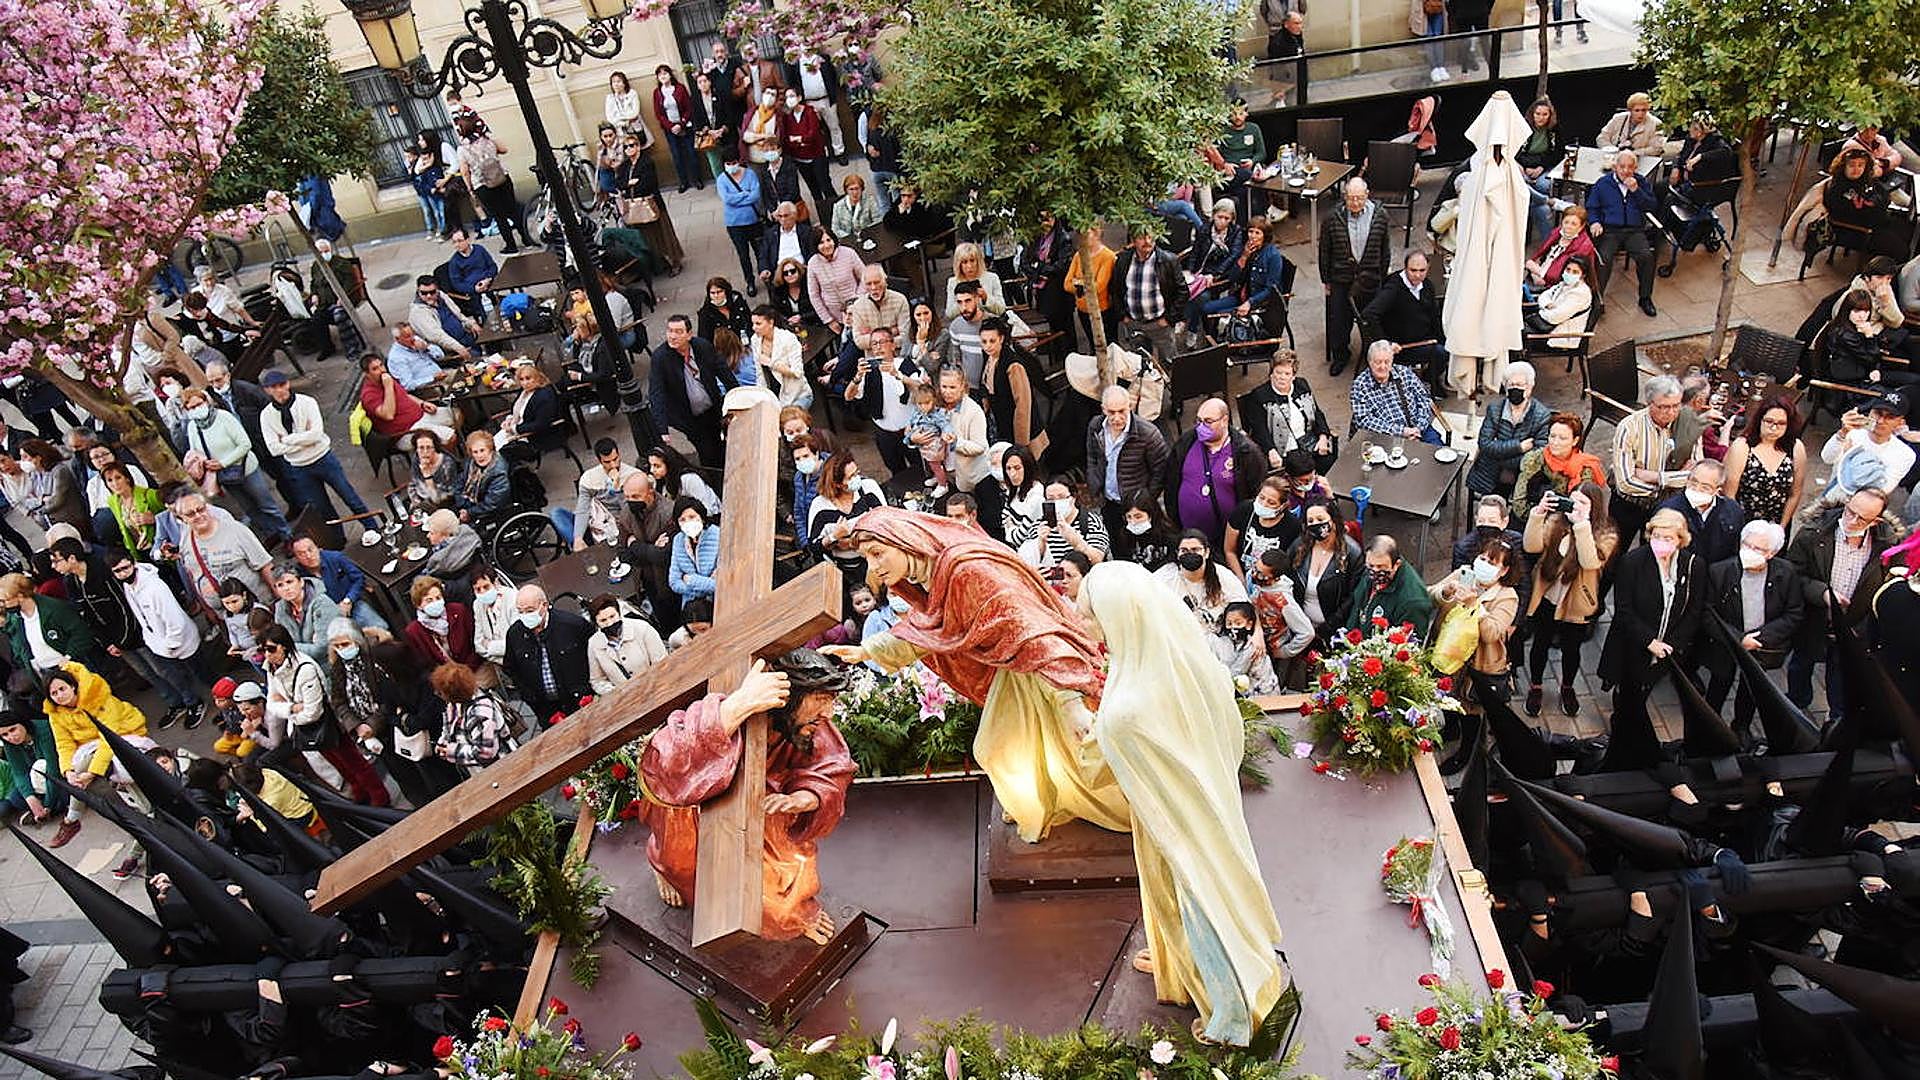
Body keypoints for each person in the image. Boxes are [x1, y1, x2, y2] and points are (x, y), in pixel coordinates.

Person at [1074, 560, 1292, 1046]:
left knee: (1201, 905)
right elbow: (1227, 734)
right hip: (1204, 808)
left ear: (1118, 619)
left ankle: (1232, 1019)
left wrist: (1089, 730)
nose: (1082, 621)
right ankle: (1180, 962)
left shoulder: (1128, 707)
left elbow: (1107, 767)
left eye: (1089, 613)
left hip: (1175, 826)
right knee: (1201, 896)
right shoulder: (1185, 665)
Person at [823, 510, 1128, 840]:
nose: (874, 568)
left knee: (1033, 750)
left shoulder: (967, 571)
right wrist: (866, 651)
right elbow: (931, 627)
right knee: (1012, 749)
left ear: (905, 540)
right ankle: (1040, 804)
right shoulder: (935, 574)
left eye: (878, 553)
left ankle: (1107, 807)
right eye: (867, 557)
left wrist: (1069, 699)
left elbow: (1032, 628)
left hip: (1043, 670)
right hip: (1016, 669)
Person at [1783, 488, 1896, 718]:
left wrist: (1863, 628)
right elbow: (1793, 574)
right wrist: (1822, 593)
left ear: (1875, 521)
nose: (1852, 520)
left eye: (1861, 518)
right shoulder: (1812, 535)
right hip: (1813, 619)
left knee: (1840, 676)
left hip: (1852, 627)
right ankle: (1796, 705)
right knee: (1801, 665)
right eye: (1849, 511)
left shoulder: (1888, 547)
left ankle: (1835, 720)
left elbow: (1887, 593)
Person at [259, 623, 389, 805]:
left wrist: (289, 709)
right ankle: (359, 790)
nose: (267, 654)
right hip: (306, 727)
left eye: (271, 649)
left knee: (353, 761)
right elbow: (272, 705)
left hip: (326, 722)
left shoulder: (305, 668)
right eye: (262, 650)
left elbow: (312, 711)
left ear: (284, 646)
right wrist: (292, 708)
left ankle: (379, 795)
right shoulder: (271, 669)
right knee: (339, 764)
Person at [1701, 521, 1802, 748]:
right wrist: (1737, 639)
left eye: (1760, 549)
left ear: (1772, 553)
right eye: (1748, 545)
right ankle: (1710, 724)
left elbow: (1794, 613)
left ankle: (1741, 726)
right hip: (1726, 644)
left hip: (1760, 646)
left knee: (1751, 689)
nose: (1751, 552)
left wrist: (1761, 638)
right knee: (1719, 684)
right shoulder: (1720, 571)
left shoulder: (1785, 573)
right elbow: (1707, 613)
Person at [1520, 482, 1615, 717]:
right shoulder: (1556, 522)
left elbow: (1590, 562)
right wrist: (1538, 515)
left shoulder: (1606, 534)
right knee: (1540, 644)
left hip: (1575, 603)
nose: (1575, 506)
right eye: (1573, 499)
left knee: (1571, 649)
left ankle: (1567, 687)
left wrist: (1582, 525)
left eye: (1583, 503)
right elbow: (1531, 547)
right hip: (1547, 597)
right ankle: (1536, 685)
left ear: (1595, 508)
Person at [1429, 533, 1522, 768]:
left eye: (1493, 563)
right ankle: (1449, 730)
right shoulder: (1463, 574)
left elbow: (1492, 634)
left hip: (1476, 664)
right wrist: (1447, 591)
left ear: (1503, 570)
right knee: (1444, 696)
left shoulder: (1507, 597)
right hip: (1447, 652)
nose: (1484, 565)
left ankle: (1466, 752)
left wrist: (1475, 606)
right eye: (1482, 558)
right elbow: (1430, 594)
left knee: (1469, 709)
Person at [41, 662, 151, 853]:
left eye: (62, 689)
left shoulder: (99, 698)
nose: (60, 696)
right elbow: (64, 744)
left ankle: (72, 818)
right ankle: (74, 817)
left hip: (125, 734)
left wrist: (92, 773)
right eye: (54, 693)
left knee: (108, 768)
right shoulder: (55, 713)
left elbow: (109, 738)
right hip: (90, 746)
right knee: (77, 769)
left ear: (73, 686)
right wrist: (68, 772)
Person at [1598, 507, 1706, 695]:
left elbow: (1694, 610)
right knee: (1629, 691)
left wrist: (1673, 644)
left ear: (1680, 540)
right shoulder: (1632, 562)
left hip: (1668, 648)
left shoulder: (1693, 565)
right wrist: (1650, 641)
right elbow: (1624, 610)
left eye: (1668, 538)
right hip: (1634, 644)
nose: (1660, 543)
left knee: (1647, 685)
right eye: (1656, 536)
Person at [107, 547, 205, 727]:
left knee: (204, 675)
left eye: (125, 568)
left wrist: (170, 644)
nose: (122, 574)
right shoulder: (129, 586)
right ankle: (197, 704)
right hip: (160, 644)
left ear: (133, 563)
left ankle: (206, 704)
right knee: (172, 673)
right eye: (117, 571)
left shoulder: (154, 587)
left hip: (181, 642)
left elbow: (174, 619)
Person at [258, 369, 369, 522]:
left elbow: (316, 434)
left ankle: (372, 527)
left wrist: (287, 439)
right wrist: (306, 440)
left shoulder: (307, 402)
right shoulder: (266, 415)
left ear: (288, 384)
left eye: (282, 384)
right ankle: (338, 541)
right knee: (322, 509)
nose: (279, 390)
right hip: (299, 467)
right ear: (267, 390)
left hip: (323, 458)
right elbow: (274, 448)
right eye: (274, 387)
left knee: (350, 497)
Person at [1162, 397, 1264, 545]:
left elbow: (1255, 490)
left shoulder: (1246, 452)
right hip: (1187, 536)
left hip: (1226, 539)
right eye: (1198, 421)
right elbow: (1171, 480)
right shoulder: (1186, 442)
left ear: (1224, 420)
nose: (1201, 427)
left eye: (1208, 422)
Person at [1610, 375, 1696, 546]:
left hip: (1666, 509)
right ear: (1649, 403)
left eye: (1676, 405)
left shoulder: (1688, 422)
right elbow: (1625, 483)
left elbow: (1695, 475)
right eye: (1664, 407)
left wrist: (1654, 477)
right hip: (1630, 504)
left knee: (1652, 555)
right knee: (1615, 553)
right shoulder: (1629, 427)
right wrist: (1673, 482)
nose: (1671, 412)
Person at [1320, 178, 1394, 376]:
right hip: (1341, 278)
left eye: (1359, 198)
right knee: (1339, 320)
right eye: (1351, 198)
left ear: (1367, 195)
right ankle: (1341, 355)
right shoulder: (1332, 218)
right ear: (1345, 197)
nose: (1355, 203)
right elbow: (1325, 251)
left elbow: (1385, 249)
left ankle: (1371, 356)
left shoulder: (1380, 216)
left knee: (1371, 320)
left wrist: (1382, 275)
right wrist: (1326, 279)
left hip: (1370, 277)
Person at [1184, 216, 1288, 349]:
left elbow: (1271, 289)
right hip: (1241, 296)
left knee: (1220, 316)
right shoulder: (1247, 249)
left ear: (1265, 235)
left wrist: (1250, 303)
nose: (1253, 236)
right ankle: (1212, 340)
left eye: (1257, 233)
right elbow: (1234, 278)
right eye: (1251, 231)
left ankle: (1219, 344)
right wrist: (1244, 257)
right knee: (1205, 308)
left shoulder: (1272, 256)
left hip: (1257, 302)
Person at [650, 314, 739, 469]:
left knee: (722, 444)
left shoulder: (702, 346)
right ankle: (714, 480)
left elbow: (723, 372)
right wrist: (662, 429)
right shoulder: (660, 358)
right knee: (707, 452)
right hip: (689, 418)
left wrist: (738, 398)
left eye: (678, 331)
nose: (672, 336)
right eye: (670, 331)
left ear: (689, 334)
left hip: (713, 408)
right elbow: (657, 394)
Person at [1085, 385, 1170, 540]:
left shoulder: (1148, 434)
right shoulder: (1096, 426)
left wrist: (1145, 500)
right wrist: (1094, 483)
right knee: (1116, 544)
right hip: (1108, 502)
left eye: (1122, 411)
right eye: (1111, 412)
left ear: (1130, 406)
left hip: (1137, 507)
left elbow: (1161, 471)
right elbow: (1092, 457)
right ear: (1103, 409)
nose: (1117, 417)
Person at [836, 326, 922, 477]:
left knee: (920, 467)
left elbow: (921, 387)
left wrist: (898, 375)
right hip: (884, 431)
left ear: (893, 344)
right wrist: (857, 377)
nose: (878, 347)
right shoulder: (869, 370)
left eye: (882, 342)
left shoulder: (905, 364)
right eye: (874, 344)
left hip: (910, 429)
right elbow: (848, 396)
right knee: (896, 471)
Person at [1585, 148, 1661, 317]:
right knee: (1603, 259)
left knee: (1646, 256)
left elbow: (1651, 206)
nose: (1626, 171)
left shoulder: (1641, 182)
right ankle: (1597, 300)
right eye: (1622, 167)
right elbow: (1592, 207)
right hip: (1610, 230)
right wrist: (1595, 221)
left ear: (1635, 168)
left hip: (1633, 230)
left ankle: (1645, 298)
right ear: (1615, 167)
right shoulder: (1603, 183)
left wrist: (1637, 191)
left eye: (1630, 167)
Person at [504, 584, 595, 723]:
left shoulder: (571, 625)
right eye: (520, 611)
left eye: (530, 610)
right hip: (548, 711)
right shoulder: (515, 634)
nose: (525, 616)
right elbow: (513, 670)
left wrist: (588, 691)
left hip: (582, 702)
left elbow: (594, 654)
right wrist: (536, 704)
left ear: (544, 605)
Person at [1361, 251, 1448, 387]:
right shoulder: (1393, 288)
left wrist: (1443, 339)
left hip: (1424, 338)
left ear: (1428, 268)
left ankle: (1429, 377)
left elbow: (1434, 316)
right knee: (1441, 353)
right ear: (1405, 267)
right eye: (1413, 270)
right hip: (1402, 346)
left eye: (1422, 270)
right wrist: (1386, 343)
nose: (1418, 275)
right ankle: (1429, 380)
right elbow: (1369, 314)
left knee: (1450, 347)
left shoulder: (1428, 286)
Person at [1238, 351, 1334, 474]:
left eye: (1287, 373)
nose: (1281, 377)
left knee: (1332, 467)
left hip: (1309, 444)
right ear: (1271, 373)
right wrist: (1271, 451)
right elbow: (1259, 430)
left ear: (1293, 376)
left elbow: (1317, 413)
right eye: (1278, 372)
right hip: (1283, 452)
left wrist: (1323, 436)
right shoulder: (1259, 396)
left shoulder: (1302, 385)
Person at [1468, 361, 1555, 497]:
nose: (1515, 388)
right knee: (1495, 497)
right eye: (1511, 384)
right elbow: (1484, 444)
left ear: (1530, 387)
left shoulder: (1541, 415)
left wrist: (1500, 457)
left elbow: (1538, 453)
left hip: (1522, 473)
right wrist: (1519, 447)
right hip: (1490, 471)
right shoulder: (1495, 409)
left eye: (1520, 385)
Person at [1724, 395, 1808, 528]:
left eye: (1781, 424)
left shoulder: (1796, 448)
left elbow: (1795, 493)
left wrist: (1781, 527)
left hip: (1776, 525)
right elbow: (1729, 494)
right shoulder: (1742, 446)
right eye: (1769, 421)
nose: (1774, 428)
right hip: (1742, 522)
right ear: (1760, 421)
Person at [454, 115, 532, 252]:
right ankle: (526, 239)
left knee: (499, 216)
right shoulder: (486, 140)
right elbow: (504, 149)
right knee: (513, 210)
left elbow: (465, 171)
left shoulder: (462, 149)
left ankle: (511, 246)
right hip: (502, 178)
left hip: (483, 185)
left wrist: (470, 188)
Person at [614, 130, 685, 272]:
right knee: (647, 239)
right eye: (626, 147)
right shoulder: (624, 166)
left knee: (662, 235)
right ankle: (659, 263)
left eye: (632, 145)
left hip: (651, 204)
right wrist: (630, 183)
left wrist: (632, 184)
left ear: (638, 146)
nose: (629, 149)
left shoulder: (646, 162)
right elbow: (619, 183)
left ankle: (674, 262)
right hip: (634, 207)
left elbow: (649, 183)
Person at [1153, 529, 1248, 633]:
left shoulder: (1223, 575)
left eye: (1195, 550)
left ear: (1206, 552)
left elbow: (1245, 607)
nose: (1190, 554)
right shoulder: (1165, 576)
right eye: (1184, 550)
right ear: (1177, 553)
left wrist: (1257, 633)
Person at [430, 660, 516, 772]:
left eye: (440, 692)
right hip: (480, 770)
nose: (437, 694)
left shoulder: (480, 714)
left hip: (501, 769)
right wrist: (442, 743)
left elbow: (485, 752)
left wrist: (452, 751)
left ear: (452, 693)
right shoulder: (453, 705)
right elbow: (448, 728)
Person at [290, 535, 386, 635]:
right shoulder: (297, 577)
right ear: (297, 558)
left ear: (317, 548)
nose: (308, 556)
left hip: (352, 604)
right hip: (328, 616)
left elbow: (358, 578)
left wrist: (348, 600)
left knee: (380, 628)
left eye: (310, 549)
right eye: (301, 554)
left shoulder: (335, 557)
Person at [1348, 340, 1440, 443]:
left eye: (1386, 362)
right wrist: (1402, 432)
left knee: (1438, 454)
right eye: (1378, 362)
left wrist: (1418, 428)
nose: (1382, 367)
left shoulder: (1404, 373)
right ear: (1370, 362)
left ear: (1392, 361)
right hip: (1384, 436)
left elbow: (1424, 399)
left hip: (1418, 428)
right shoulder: (1360, 386)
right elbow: (1364, 421)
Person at [1658, 459, 1746, 565]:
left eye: (1705, 487)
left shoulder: (1732, 512)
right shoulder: (1669, 510)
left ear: (1717, 491)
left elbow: (1734, 552)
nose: (1697, 489)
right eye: (1693, 482)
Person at [1010, 477, 1108, 570]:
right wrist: (1041, 544)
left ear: (1073, 498)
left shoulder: (1091, 522)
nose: (1056, 502)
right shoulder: (1038, 526)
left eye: (1061, 497)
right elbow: (1027, 564)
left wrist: (1077, 542)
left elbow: (1098, 560)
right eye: (1051, 499)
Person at [1222, 473, 1303, 584]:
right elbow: (1230, 551)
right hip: (1240, 574)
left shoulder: (1293, 526)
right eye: (1261, 498)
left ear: (1283, 505)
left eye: (1271, 503)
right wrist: (1242, 580)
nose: (1264, 504)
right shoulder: (1244, 510)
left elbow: (1289, 564)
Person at [359, 353, 457, 444]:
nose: (382, 370)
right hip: (405, 431)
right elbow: (388, 415)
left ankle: (439, 448)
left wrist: (422, 403)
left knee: (457, 414)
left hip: (420, 415)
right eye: (375, 369)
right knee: (450, 437)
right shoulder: (369, 395)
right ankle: (441, 458)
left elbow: (405, 395)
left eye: (381, 365)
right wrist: (388, 387)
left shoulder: (386, 379)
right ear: (367, 374)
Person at [583, 593, 666, 694]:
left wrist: (650, 686)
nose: (610, 623)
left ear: (619, 613)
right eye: (603, 620)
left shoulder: (642, 628)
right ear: (596, 623)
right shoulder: (594, 644)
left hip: (657, 688)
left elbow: (662, 661)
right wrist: (615, 693)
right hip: (625, 699)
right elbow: (597, 680)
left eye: (612, 616)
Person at [269, 559, 343, 662]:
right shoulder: (280, 608)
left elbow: (322, 649)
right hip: (303, 663)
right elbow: (280, 640)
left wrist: (289, 647)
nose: (286, 588)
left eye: (289, 582)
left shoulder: (322, 603)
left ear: (301, 582)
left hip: (332, 662)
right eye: (280, 585)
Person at [0, 711, 64, 830]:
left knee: (61, 795)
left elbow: (53, 768)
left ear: (22, 724)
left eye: (13, 729)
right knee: (15, 798)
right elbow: (19, 772)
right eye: (4, 735)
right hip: (38, 779)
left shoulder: (43, 729)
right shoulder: (9, 743)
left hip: (59, 775)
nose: (10, 737)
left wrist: (48, 805)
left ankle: (46, 811)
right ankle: (42, 811)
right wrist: (30, 798)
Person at [1062, 227, 1119, 351]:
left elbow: (1098, 287)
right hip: (1082, 309)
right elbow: (1067, 284)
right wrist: (1083, 285)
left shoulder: (1107, 256)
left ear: (1097, 234)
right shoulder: (1079, 255)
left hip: (1102, 310)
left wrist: (1078, 283)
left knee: (1108, 346)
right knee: (1092, 345)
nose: (1082, 237)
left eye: (1087, 234)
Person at [1823, 147, 1892, 248]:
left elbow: (1885, 194)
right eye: (1851, 165)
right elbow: (1844, 214)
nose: (1856, 169)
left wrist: (1875, 202)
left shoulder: (1865, 179)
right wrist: (1874, 204)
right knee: (1903, 252)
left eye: (1860, 165)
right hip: (1858, 231)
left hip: (1880, 220)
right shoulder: (1838, 187)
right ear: (1843, 166)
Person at [715, 157, 767, 291]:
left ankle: (766, 276)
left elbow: (755, 195)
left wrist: (737, 199)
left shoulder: (750, 174)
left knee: (760, 252)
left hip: (753, 221)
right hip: (735, 224)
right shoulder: (722, 179)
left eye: (734, 163)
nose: (732, 166)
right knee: (743, 255)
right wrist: (744, 194)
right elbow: (727, 199)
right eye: (728, 163)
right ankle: (750, 281)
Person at [651, 65, 703, 192]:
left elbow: (688, 108)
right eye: (660, 74)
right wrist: (671, 126)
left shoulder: (680, 88)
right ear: (657, 77)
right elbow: (659, 114)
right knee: (677, 156)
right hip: (670, 130)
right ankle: (683, 182)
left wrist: (681, 123)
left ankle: (697, 179)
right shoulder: (657, 93)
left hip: (685, 127)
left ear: (670, 74)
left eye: (665, 73)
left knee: (691, 154)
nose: (663, 76)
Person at [1524, 254, 1593, 346]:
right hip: (1547, 324)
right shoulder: (1564, 283)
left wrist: (1542, 310)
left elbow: (1554, 318)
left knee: (1516, 331)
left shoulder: (1580, 294)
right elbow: (1544, 295)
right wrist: (1547, 304)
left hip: (1558, 336)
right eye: (1568, 270)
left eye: (1575, 272)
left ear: (1583, 275)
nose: (1570, 274)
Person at [1525, 206, 1598, 292]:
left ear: (1581, 227)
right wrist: (1534, 268)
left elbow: (1568, 274)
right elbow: (1541, 252)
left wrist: (1540, 272)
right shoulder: (1558, 232)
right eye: (1566, 222)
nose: (1568, 226)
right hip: (1541, 274)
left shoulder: (1584, 246)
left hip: (1561, 286)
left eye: (1573, 224)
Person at [806, 231, 866, 333]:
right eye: (821, 242)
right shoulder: (813, 263)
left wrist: (857, 299)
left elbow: (865, 277)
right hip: (836, 318)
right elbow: (814, 295)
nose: (826, 245)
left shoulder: (848, 253)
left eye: (829, 240)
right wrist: (829, 320)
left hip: (859, 309)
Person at [407, 274, 478, 359]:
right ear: (418, 291)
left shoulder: (441, 296)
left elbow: (458, 314)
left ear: (437, 290)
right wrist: (458, 348)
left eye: (432, 292)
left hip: (466, 336)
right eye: (424, 293)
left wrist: (471, 323)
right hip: (450, 351)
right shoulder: (418, 312)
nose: (428, 296)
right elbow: (437, 337)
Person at [667, 497, 721, 608]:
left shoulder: (718, 536)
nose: (688, 522)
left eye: (692, 517)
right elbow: (674, 582)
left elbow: (720, 584)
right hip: (691, 606)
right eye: (682, 520)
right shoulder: (678, 540)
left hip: (716, 603)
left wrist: (691, 580)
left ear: (702, 517)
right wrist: (705, 585)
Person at [456, 429, 512, 523]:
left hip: (489, 510)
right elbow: (460, 482)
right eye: (475, 452)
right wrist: (461, 504)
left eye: (482, 450)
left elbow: (492, 503)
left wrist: (469, 512)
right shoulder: (471, 463)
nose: (479, 455)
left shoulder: (498, 472)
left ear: (490, 449)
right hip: (470, 503)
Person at [405, 430, 464, 516]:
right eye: (421, 448)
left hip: (444, 504)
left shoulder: (447, 464)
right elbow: (413, 484)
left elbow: (439, 500)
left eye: (429, 447)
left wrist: (427, 476)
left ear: (435, 448)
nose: (425, 452)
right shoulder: (417, 459)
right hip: (423, 501)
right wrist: (416, 503)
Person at [421, 507, 483, 583]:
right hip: (476, 575)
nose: (428, 536)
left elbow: (425, 578)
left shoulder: (438, 561)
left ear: (444, 535)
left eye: (432, 533)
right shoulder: (471, 536)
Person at [1597, 93, 1665, 154]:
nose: (1640, 114)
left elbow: (1656, 148)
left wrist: (1632, 154)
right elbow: (1601, 138)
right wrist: (1612, 150)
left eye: (1644, 110)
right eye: (1637, 110)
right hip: (1614, 157)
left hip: (1641, 160)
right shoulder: (1618, 118)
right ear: (1630, 110)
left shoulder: (1656, 123)